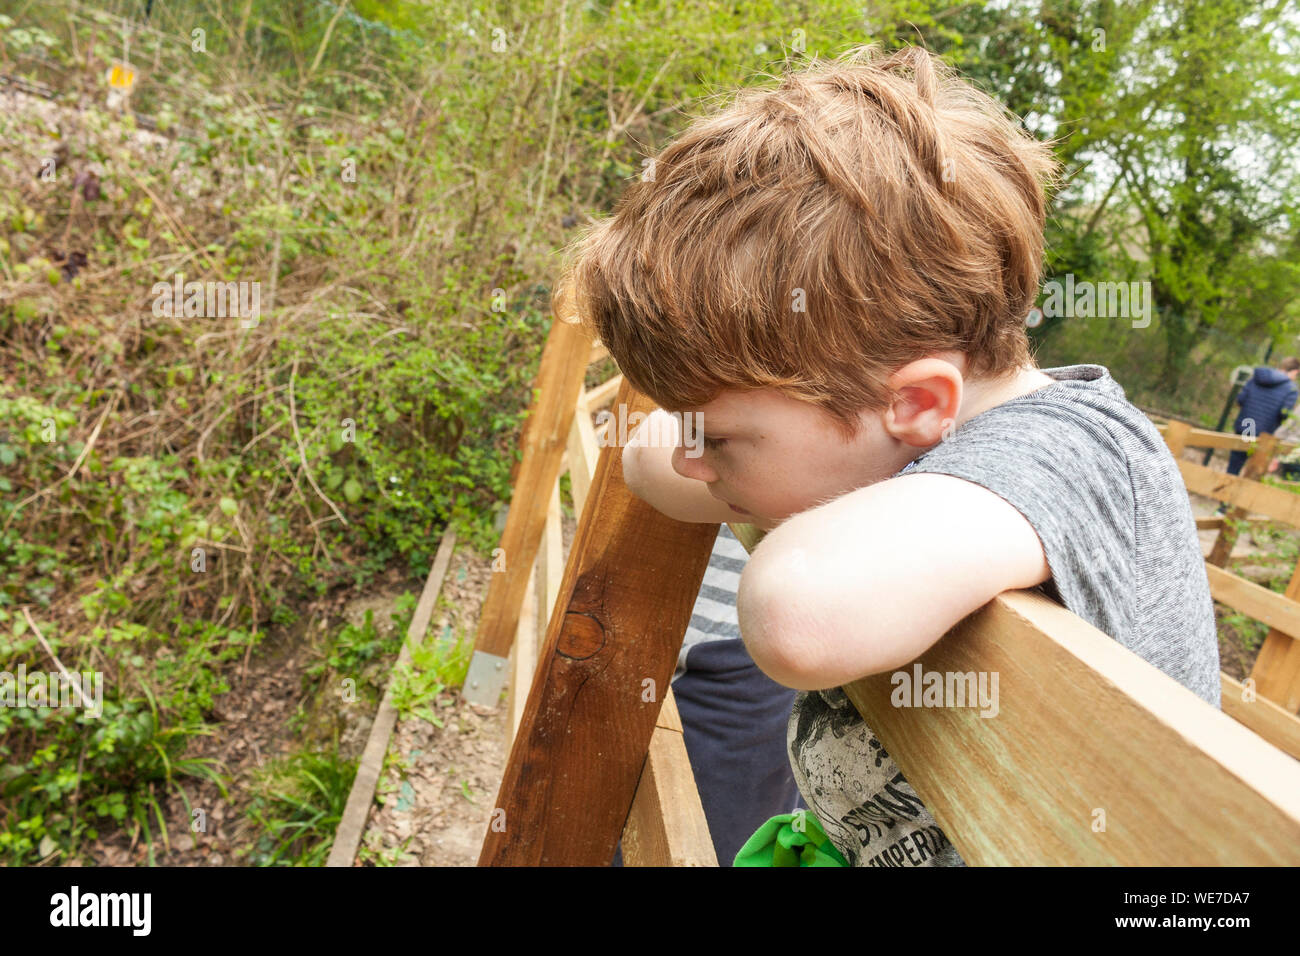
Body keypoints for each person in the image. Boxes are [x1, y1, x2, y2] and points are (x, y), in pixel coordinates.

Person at [562, 44, 1219, 867]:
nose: (696, 459)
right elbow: (647, 461)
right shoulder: (906, 429)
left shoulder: (1071, 452)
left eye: (721, 439)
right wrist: (723, 443)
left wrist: (752, 491)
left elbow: (797, 613)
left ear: (915, 405)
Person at [1227, 359, 1299, 477]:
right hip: (1265, 433)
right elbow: (1284, 413)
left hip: (1245, 426)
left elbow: (1241, 399)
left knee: (1234, 464)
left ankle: (1223, 489)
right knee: (1254, 470)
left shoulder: (1258, 375)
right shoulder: (1291, 388)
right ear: (1294, 371)